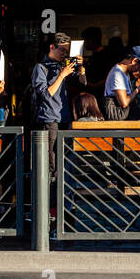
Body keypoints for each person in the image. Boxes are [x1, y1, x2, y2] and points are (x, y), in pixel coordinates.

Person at [31, 32, 86, 178]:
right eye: (62, 50)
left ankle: (61, 195)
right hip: (49, 119)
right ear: (51, 47)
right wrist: (61, 75)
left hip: (64, 117)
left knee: (64, 160)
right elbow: (45, 95)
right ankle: (49, 196)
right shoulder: (41, 68)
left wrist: (81, 70)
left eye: (67, 51)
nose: (65, 54)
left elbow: (82, 84)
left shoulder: (63, 66)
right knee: (51, 162)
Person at [102, 46, 140, 122]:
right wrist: (137, 90)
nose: (139, 70)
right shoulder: (117, 74)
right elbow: (124, 103)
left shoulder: (124, 73)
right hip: (118, 122)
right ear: (134, 61)